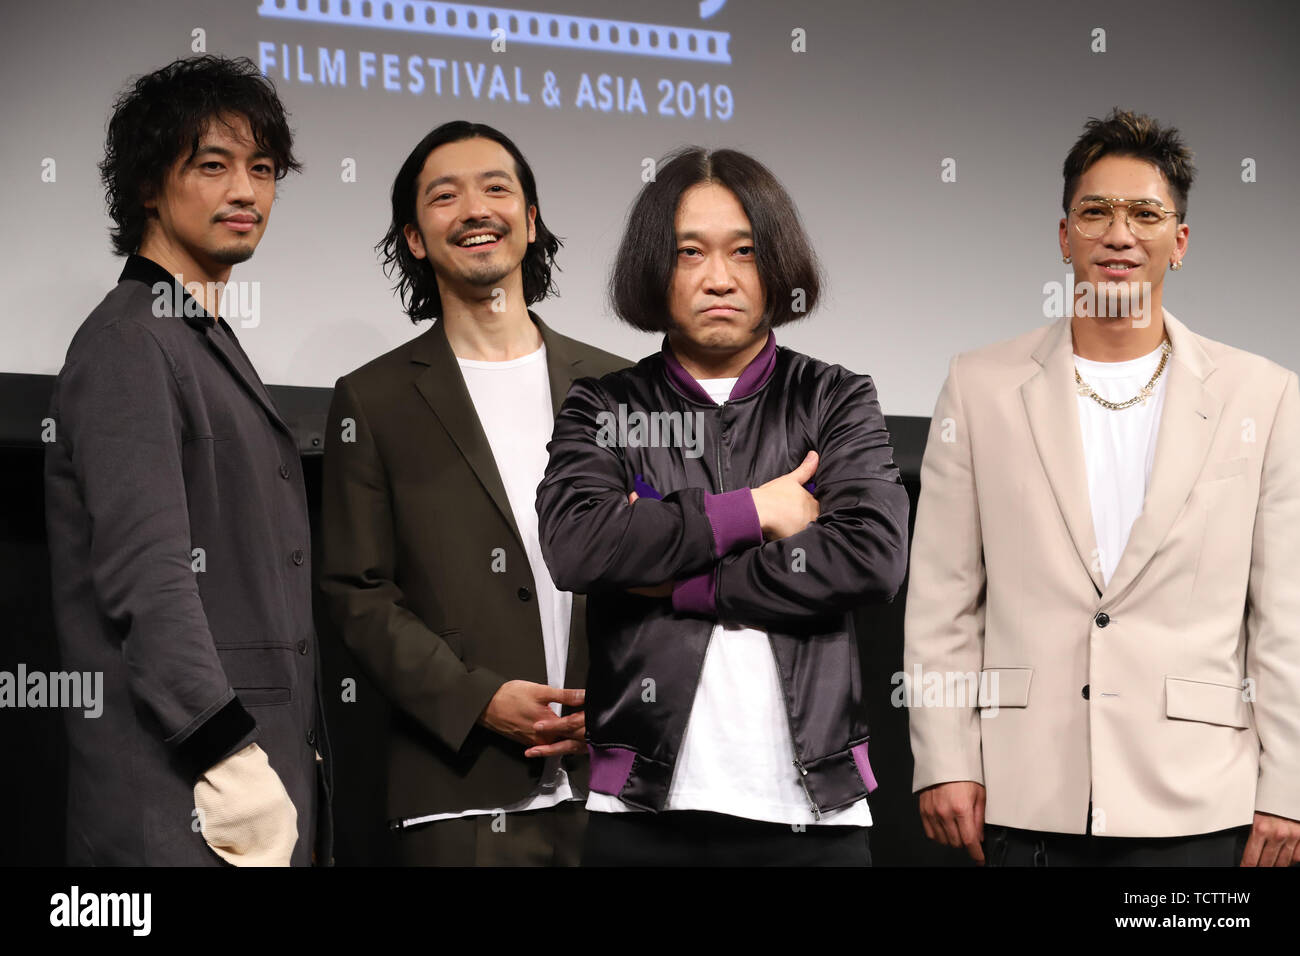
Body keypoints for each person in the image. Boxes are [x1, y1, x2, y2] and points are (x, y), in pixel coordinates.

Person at [906, 108, 1300, 866]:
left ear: (1178, 242)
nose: (1120, 234)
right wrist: (945, 757)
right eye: (1095, 211)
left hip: (1201, 798)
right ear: (1064, 236)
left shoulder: (1265, 396)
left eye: (1146, 213)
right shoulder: (980, 385)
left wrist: (1288, 783)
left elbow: (1284, 615)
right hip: (1024, 792)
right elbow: (942, 601)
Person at [536, 146, 909, 866]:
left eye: (744, 251)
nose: (719, 278)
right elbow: (579, 543)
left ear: (778, 267)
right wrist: (755, 511)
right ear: (655, 266)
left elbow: (870, 560)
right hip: (641, 810)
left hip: (815, 814)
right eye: (689, 253)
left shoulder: (835, 397)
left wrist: (683, 579)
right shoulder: (605, 404)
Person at [45, 54, 330, 866]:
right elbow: (150, 579)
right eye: (213, 165)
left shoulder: (192, 333)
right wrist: (229, 760)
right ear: (146, 185)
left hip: (247, 794)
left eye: (263, 169)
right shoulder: (131, 342)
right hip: (184, 806)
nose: (246, 191)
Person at [320, 121, 628, 865]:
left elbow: (666, 562)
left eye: (497, 188)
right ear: (416, 239)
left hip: (618, 786)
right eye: (444, 195)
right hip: (458, 798)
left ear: (530, 220)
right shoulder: (374, 398)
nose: (475, 208)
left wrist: (624, 702)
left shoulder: (621, 388)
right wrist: (479, 699)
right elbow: (357, 593)